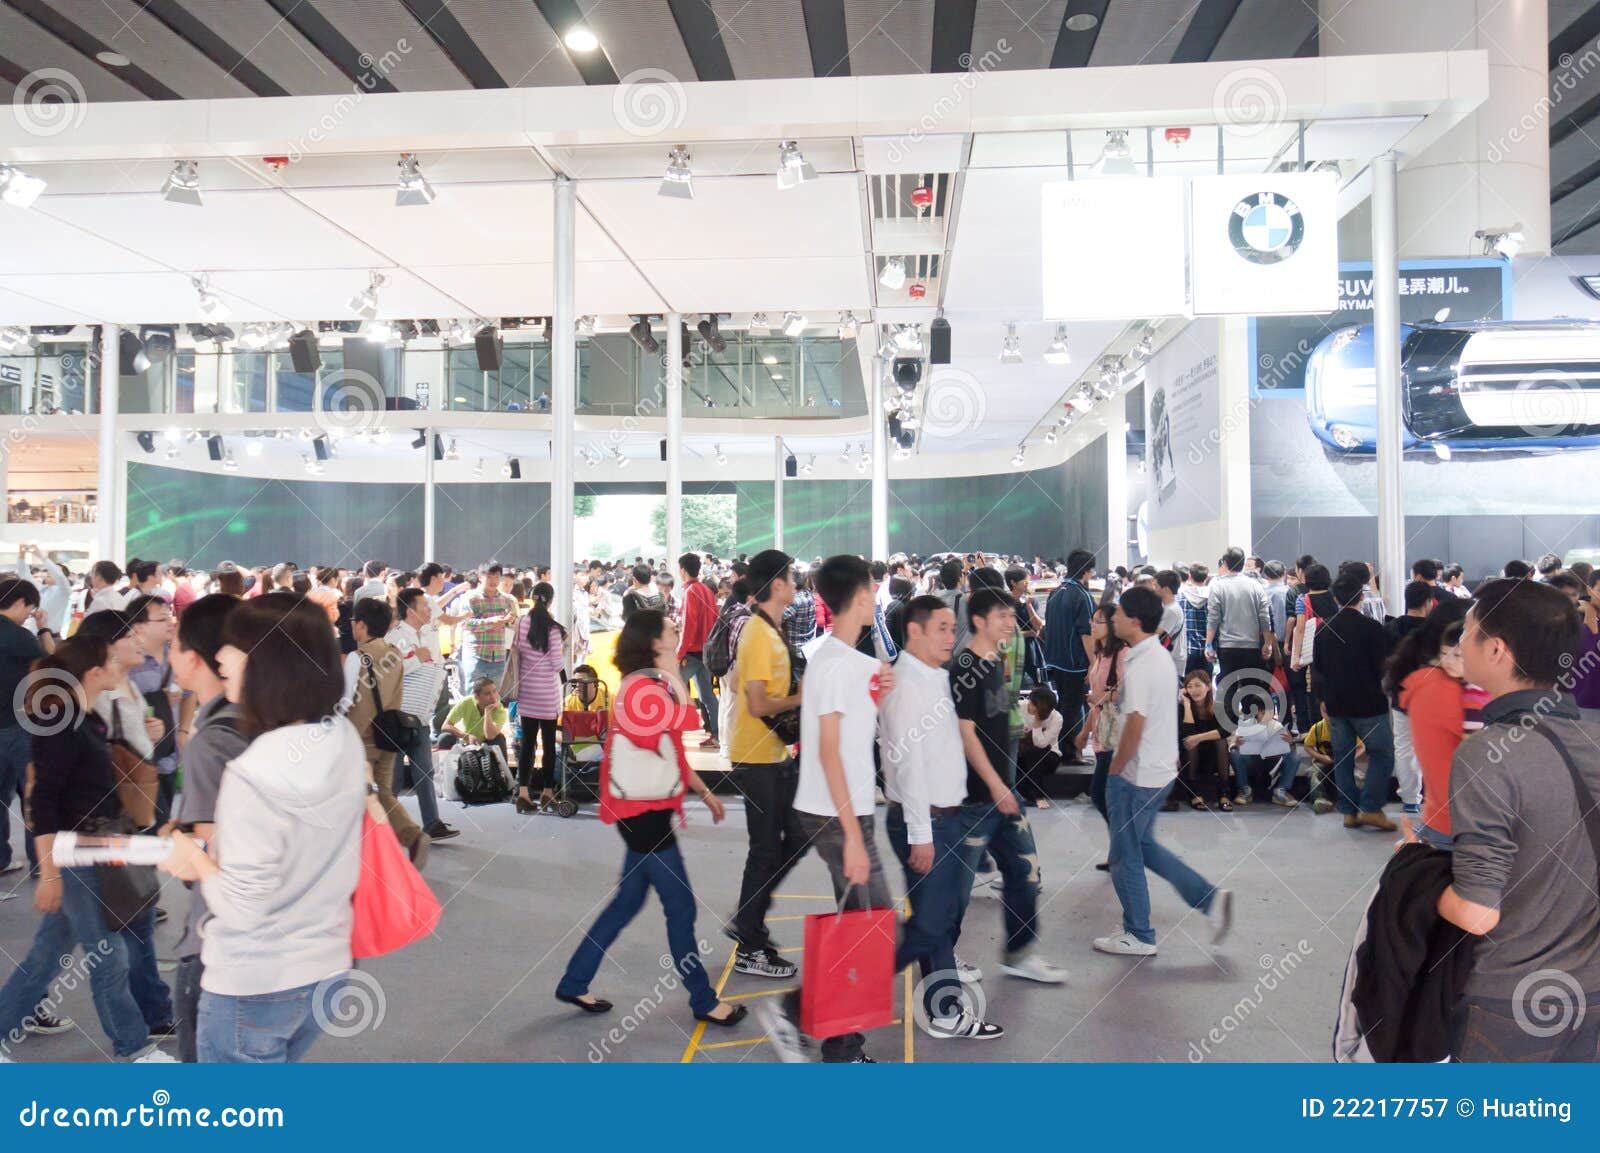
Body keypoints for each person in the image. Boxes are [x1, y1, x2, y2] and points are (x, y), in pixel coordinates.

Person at [159, 594, 366, 1063]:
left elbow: (242, 906)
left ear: (270, 663)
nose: (222, 658)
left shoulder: (255, 770)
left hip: (253, 983)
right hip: (326, 968)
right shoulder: (341, 738)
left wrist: (195, 860)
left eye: (235, 648)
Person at [1420, 579, 1600, 1060]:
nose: (1459, 642)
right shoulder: (1593, 736)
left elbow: (1478, 912)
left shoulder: (1487, 753)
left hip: (1511, 1001)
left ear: (1496, 649)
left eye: (1468, 631)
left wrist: (1415, 875)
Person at [554, 609, 745, 1030]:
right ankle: (703, 999)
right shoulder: (644, 688)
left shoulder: (648, 686)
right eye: (672, 631)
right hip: (644, 815)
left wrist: (704, 791)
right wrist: (675, 673)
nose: (679, 633)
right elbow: (687, 723)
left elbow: (672, 748)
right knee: (681, 908)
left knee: (627, 903)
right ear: (655, 642)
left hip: (644, 810)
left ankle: (574, 980)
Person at [755, 556, 905, 1063]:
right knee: (882, 930)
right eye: (871, 590)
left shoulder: (834, 659)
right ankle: (794, 1014)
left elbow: (851, 733)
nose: (875, 597)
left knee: (862, 928)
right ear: (861, 597)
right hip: (840, 816)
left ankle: (842, 1045)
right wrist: (856, 837)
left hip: (831, 810)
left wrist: (878, 695)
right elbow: (829, 752)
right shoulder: (841, 663)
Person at [0, 636, 175, 1063]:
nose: (122, 666)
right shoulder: (64, 726)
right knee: (107, 954)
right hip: (77, 852)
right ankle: (134, 1049)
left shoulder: (89, 719)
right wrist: (52, 874)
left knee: (49, 955)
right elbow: (41, 803)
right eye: (113, 660)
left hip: (98, 847)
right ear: (94, 672)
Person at [1095, 587, 1234, 958]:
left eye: (1120, 613)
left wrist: (1115, 768)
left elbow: (1136, 725)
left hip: (1136, 776)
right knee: (1145, 848)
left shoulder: (1142, 665)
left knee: (1125, 855)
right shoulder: (1156, 657)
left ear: (1135, 621)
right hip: (1158, 771)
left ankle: (1139, 933)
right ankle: (1210, 901)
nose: (1114, 618)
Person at [950, 588, 1066, 984]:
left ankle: (1018, 953)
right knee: (956, 887)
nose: (1010, 622)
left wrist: (1004, 786)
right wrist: (995, 784)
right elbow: (965, 733)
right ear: (979, 620)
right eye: (1001, 615)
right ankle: (941, 958)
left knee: (1024, 871)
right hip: (974, 797)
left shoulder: (993, 659)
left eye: (1011, 614)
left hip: (1002, 791)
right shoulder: (965, 665)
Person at [165, 594, 249, 1062]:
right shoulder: (271, 719)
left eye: (175, 642)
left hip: (219, 945)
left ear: (196, 659)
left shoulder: (212, 741)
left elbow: (220, 857)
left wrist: (180, 849)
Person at [725, 549, 805, 979]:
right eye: (791, 577)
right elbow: (756, 703)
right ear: (777, 584)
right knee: (766, 849)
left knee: (796, 835)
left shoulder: (770, 629)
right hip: (756, 756)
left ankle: (749, 919)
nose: (796, 584)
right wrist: (801, 696)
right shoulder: (759, 631)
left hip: (772, 752)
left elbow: (738, 682)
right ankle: (749, 940)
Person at [344, 597, 428, 867]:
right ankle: (410, 836)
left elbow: (346, 701)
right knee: (383, 793)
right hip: (390, 733)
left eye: (354, 622)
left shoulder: (357, 658)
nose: (353, 627)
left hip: (361, 738)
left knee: (358, 796)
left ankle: (370, 856)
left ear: (362, 625)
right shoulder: (394, 653)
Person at [1312, 569, 1397, 831]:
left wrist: (1322, 699)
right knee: (1382, 754)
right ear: (1361, 597)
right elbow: (1382, 667)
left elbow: (1318, 669)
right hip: (1369, 704)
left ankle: (1348, 811)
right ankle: (1371, 807)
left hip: (1336, 704)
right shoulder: (1372, 628)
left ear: (1336, 599)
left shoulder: (1325, 630)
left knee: (1343, 757)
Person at [1390, 609, 1468, 852]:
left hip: (1444, 815)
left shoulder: (1429, 682)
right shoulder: (1446, 690)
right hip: (1459, 821)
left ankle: (1410, 799)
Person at [384, 588, 457, 843]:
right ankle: (384, 831)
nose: (430, 610)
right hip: (398, 717)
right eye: (425, 606)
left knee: (424, 772)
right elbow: (388, 671)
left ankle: (432, 824)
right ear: (410, 610)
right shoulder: (395, 636)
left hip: (422, 718)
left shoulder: (427, 634)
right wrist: (416, 658)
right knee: (392, 779)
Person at [0, 578, 44, 879]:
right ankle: (41, 862)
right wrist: (43, 629)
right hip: (18, 725)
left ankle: (1, 859)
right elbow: (53, 666)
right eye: (30, 608)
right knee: (34, 791)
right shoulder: (21, 637)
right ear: (18, 603)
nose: (30, 613)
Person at [510, 582, 567, 814]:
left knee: (527, 744)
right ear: (551, 600)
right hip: (547, 695)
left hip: (527, 693)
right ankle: (547, 793)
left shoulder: (522, 622)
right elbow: (556, 664)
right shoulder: (554, 629)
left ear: (533, 598)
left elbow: (516, 650)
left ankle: (523, 793)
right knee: (549, 743)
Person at [1205, 547, 1273, 726]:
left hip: (1227, 647)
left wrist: (1208, 643)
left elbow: (1213, 618)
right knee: (1251, 687)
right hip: (1251, 646)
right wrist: (1267, 643)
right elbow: (1264, 617)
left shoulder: (1218, 585)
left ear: (1225, 563)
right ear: (1243, 564)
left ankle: (1229, 730)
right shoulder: (1256, 586)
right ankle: (1252, 728)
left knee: (1228, 687)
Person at [1041, 548, 1097, 762]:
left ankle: (1063, 748)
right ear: (1087, 571)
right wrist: (1093, 663)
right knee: (1073, 707)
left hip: (1055, 660)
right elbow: (1086, 633)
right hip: (1075, 663)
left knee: (1065, 704)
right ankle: (1071, 752)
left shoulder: (1056, 593)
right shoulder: (1082, 596)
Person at [1079, 603, 1128, 828]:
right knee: (1108, 797)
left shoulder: (1124, 654)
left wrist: (1102, 697)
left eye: (1098, 621)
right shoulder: (1101, 654)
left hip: (1118, 737)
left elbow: (1130, 693)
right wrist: (1085, 731)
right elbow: (1096, 699)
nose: (1092, 625)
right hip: (1103, 734)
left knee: (1100, 794)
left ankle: (1127, 844)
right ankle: (1123, 846)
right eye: (1092, 620)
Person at [676, 553, 720, 750]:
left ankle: (669, 735)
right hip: (707, 651)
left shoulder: (690, 591)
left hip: (691, 652)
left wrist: (678, 654)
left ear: (683, 570)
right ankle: (717, 735)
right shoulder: (706, 590)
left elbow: (688, 626)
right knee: (707, 696)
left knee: (671, 690)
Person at [1177, 668, 1232, 812]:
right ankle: (1193, 792)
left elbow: (1225, 731)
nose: (1194, 690)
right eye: (1189, 686)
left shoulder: (1218, 706)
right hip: (1189, 757)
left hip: (1212, 756)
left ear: (1208, 687)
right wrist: (1187, 705)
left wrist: (1199, 737)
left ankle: (1224, 793)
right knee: (1191, 743)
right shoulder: (1182, 708)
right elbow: (1187, 735)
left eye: (1198, 685)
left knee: (1221, 742)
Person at [457, 563, 517, 689]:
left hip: (498, 657)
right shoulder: (471, 598)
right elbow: (465, 623)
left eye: (497, 577)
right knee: (473, 699)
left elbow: (514, 623)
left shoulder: (507, 600)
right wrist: (491, 622)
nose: (494, 581)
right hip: (476, 655)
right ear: (480, 577)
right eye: (489, 577)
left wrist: (511, 620)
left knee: (493, 700)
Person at [1016, 686, 1062, 809]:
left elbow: (1041, 744)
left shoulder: (1056, 718)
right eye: (1030, 702)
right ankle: (1024, 795)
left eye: (1034, 705)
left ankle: (1038, 796)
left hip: (1048, 755)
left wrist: (1037, 724)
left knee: (1034, 752)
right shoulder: (1020, 707)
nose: (1030, 706)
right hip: (1022, 753)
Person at [1179, 565, 1212, 675]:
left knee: (1188, 685)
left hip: (1186, 648)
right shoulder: (1213, 597)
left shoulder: (1180, 596)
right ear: (1207, 577)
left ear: (1189, 576)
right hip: (1207, 649)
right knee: (1205, 684)